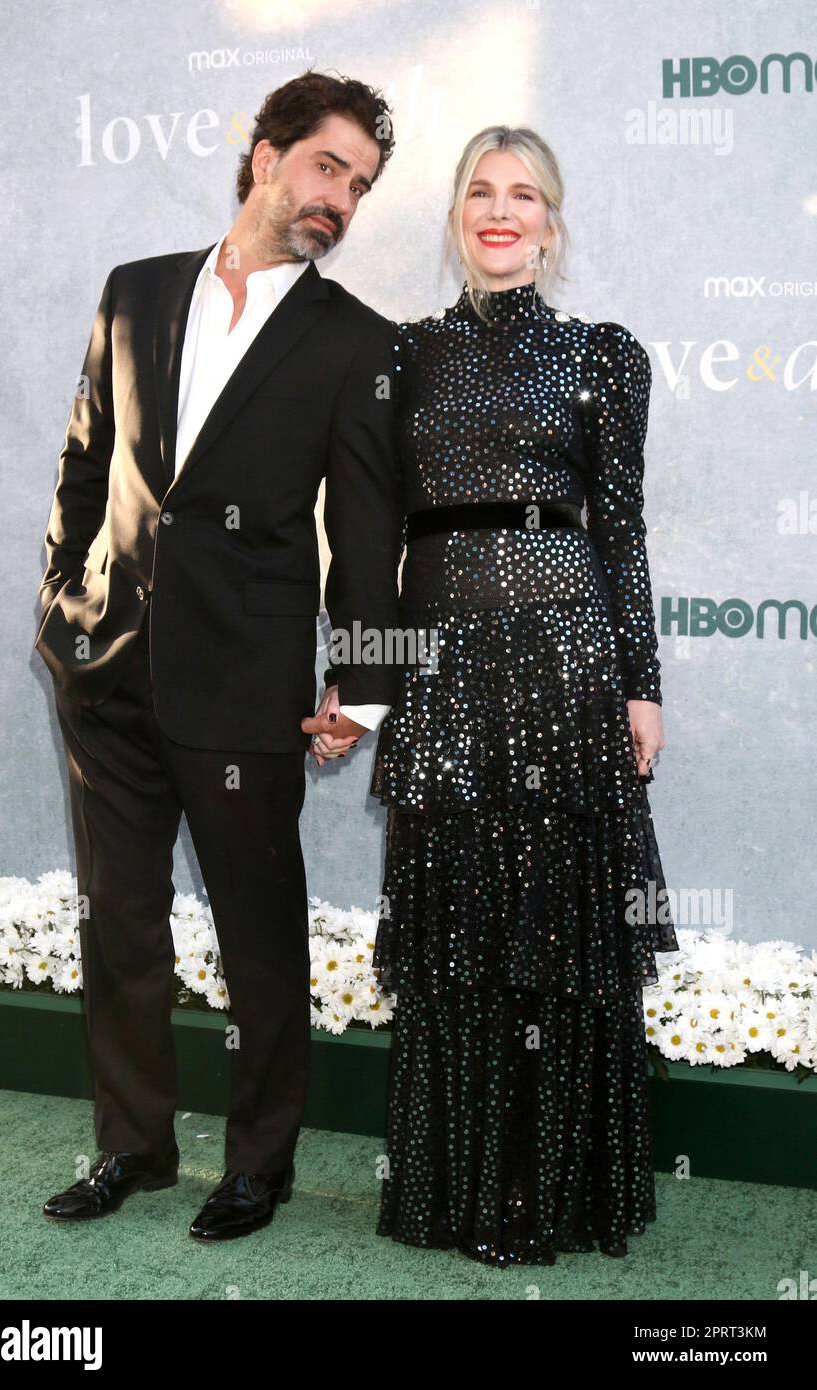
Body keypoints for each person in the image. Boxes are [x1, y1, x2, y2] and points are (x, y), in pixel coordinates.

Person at [34, 70, 402, 1242]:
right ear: (263, 157)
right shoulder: (134, 292)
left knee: (258, 934)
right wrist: (61, 605)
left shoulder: (357, 344)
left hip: (245, 690)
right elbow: (85, 461)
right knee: (119, 922)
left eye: (358, 184)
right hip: (107, 672)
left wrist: (369, 684)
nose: (338, 198)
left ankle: (258, 1165)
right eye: (325, 166)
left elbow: (370, 531)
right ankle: (132, 1149)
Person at [308, 125, 680, 1265]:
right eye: (481, 190)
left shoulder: (602, 355)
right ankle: (460, 1186)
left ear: (550, 223)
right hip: (447, 662)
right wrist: (361, 674)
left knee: (558, 933)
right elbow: (366, 536)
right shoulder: (400, 355)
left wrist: (640, 683)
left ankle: (551, 1191)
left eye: (524, 194)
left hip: (568, 666)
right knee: (460, 930)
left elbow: (619, 531)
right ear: (457, 215)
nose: (501, 210)